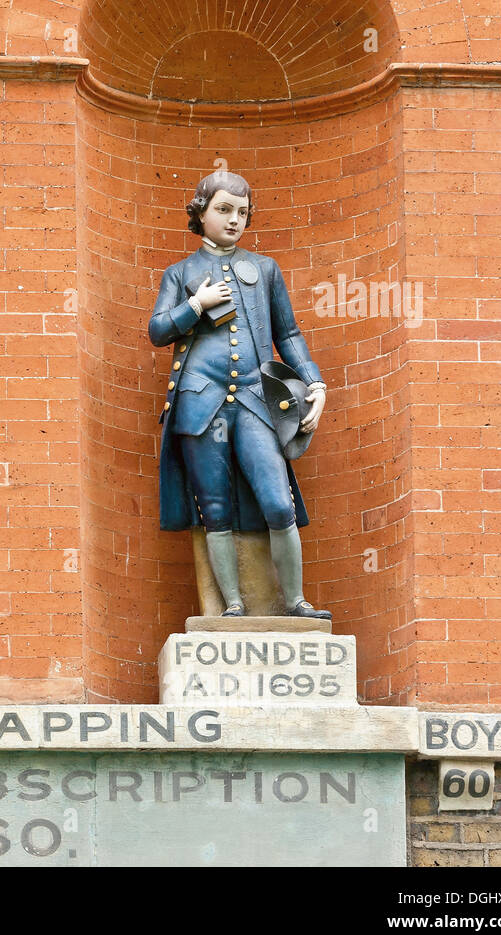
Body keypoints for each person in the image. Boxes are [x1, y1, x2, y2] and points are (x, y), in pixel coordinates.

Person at [148, 171, 330, 620]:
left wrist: (316, 384)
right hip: (200, 399)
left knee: (276, 498)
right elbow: (157, 330)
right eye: (224, 209)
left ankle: (294, 601)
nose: (234, 220)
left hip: (253, 398)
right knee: (214, 507)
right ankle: (231, 605)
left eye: (242, 212)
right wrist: (196, 305)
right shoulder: (181, 272)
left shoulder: (265, 269)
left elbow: (288, 333)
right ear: (201, 212)